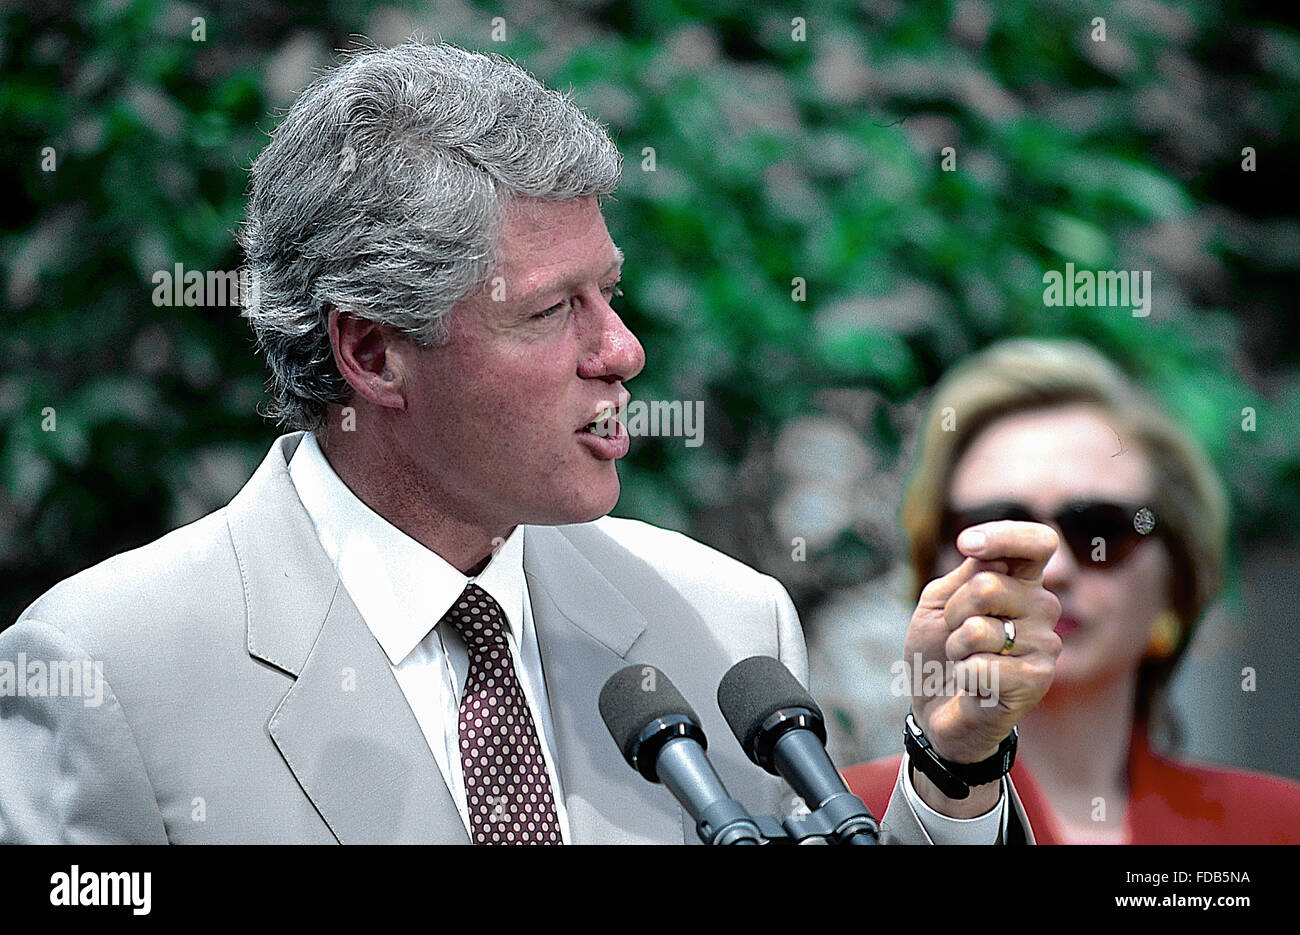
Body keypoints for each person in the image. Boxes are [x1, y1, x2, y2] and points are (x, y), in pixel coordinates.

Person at [0, 42, 1061, 844]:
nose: (625, 350)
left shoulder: (729, 623)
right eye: (554, 311)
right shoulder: (105, 669)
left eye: (613, 292)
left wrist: (948, 772)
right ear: (373, 354)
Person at [843, 338, 1300, 843]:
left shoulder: (1278, 826)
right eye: (998, 531)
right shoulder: (839, 821)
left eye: (1098, 529)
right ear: (934, 569)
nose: (1052, 569)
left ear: (1177, 580)